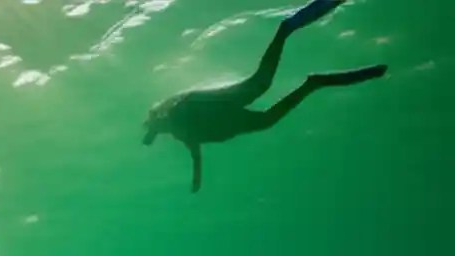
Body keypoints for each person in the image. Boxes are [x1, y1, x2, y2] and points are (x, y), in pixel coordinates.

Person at [142, 0, 387, 193]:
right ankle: (313, 84)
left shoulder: (178, 112)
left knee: (262, 85)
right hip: (231, 121)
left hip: (228, 106)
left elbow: (196, 103)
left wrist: (231, 100)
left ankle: (286, 29)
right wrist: (197, 177)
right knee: (268, 116)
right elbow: (194, 152)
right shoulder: (179, 131)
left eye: (155, 125)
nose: (156, 129)